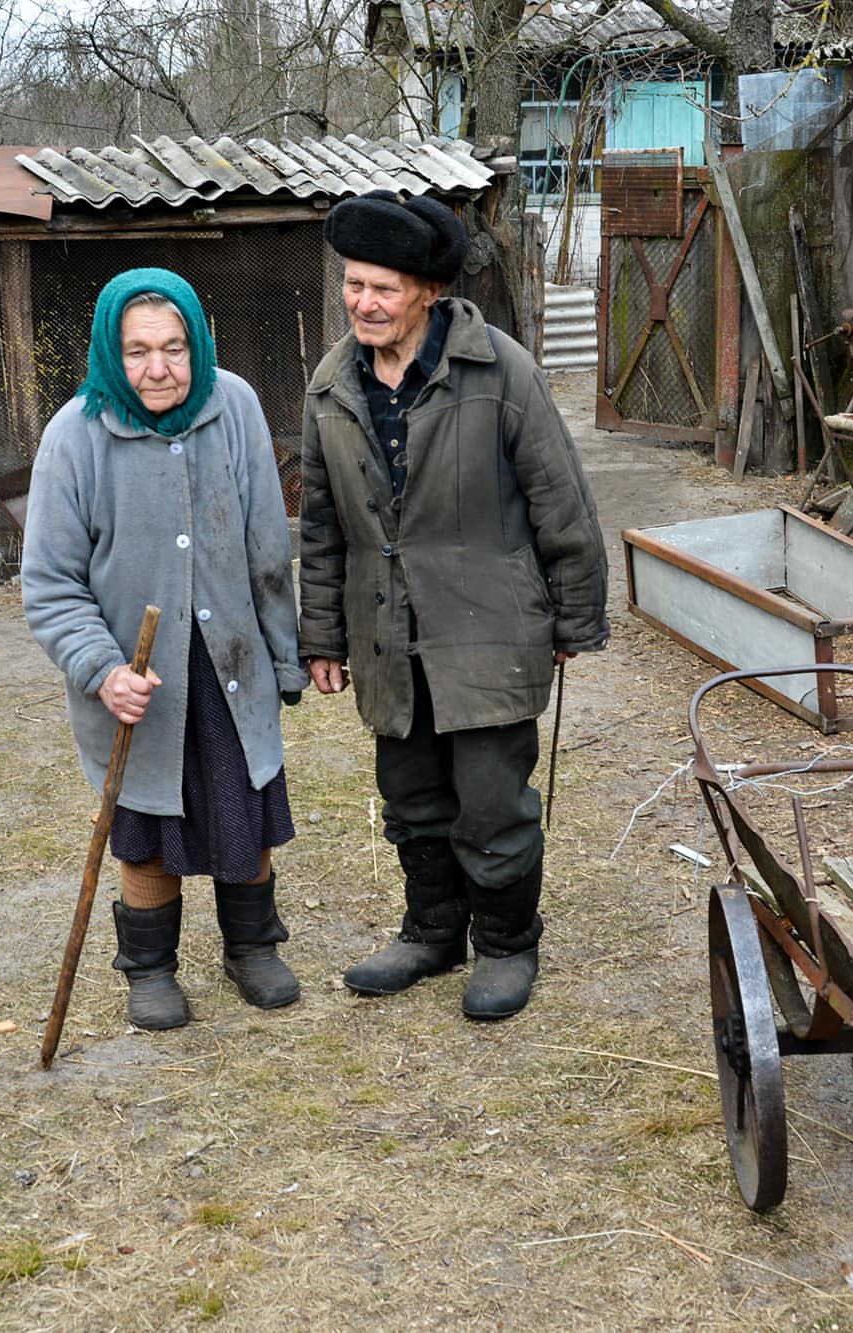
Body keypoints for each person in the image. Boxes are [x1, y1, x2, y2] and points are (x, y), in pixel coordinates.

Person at [298, 191, 609, 1020]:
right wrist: (322, 634)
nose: (364, 302)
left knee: (492, 800)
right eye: (354, 284)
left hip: (491, 627)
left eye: (384, 288)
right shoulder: (332, 384)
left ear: (429, 292)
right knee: (411, 797)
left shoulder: (501, 370)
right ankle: (433, 932)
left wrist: (574, 617)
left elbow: (561, 501)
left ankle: (506, 943)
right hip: (387, 631)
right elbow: (323, 525)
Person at [23, 268, 309, 1031]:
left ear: (198, 345)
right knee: (148, 820)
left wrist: (285, 657)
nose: (159, 368)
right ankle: (150, 968)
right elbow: (49, 584)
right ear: (111, 354)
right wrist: (101, 670)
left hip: (229, 663)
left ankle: (252, 947)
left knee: (244, 803)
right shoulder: (74, 437)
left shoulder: (234, 405)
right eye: (139, 350)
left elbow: (267, 546)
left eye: (175, 348)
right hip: (138, 676)